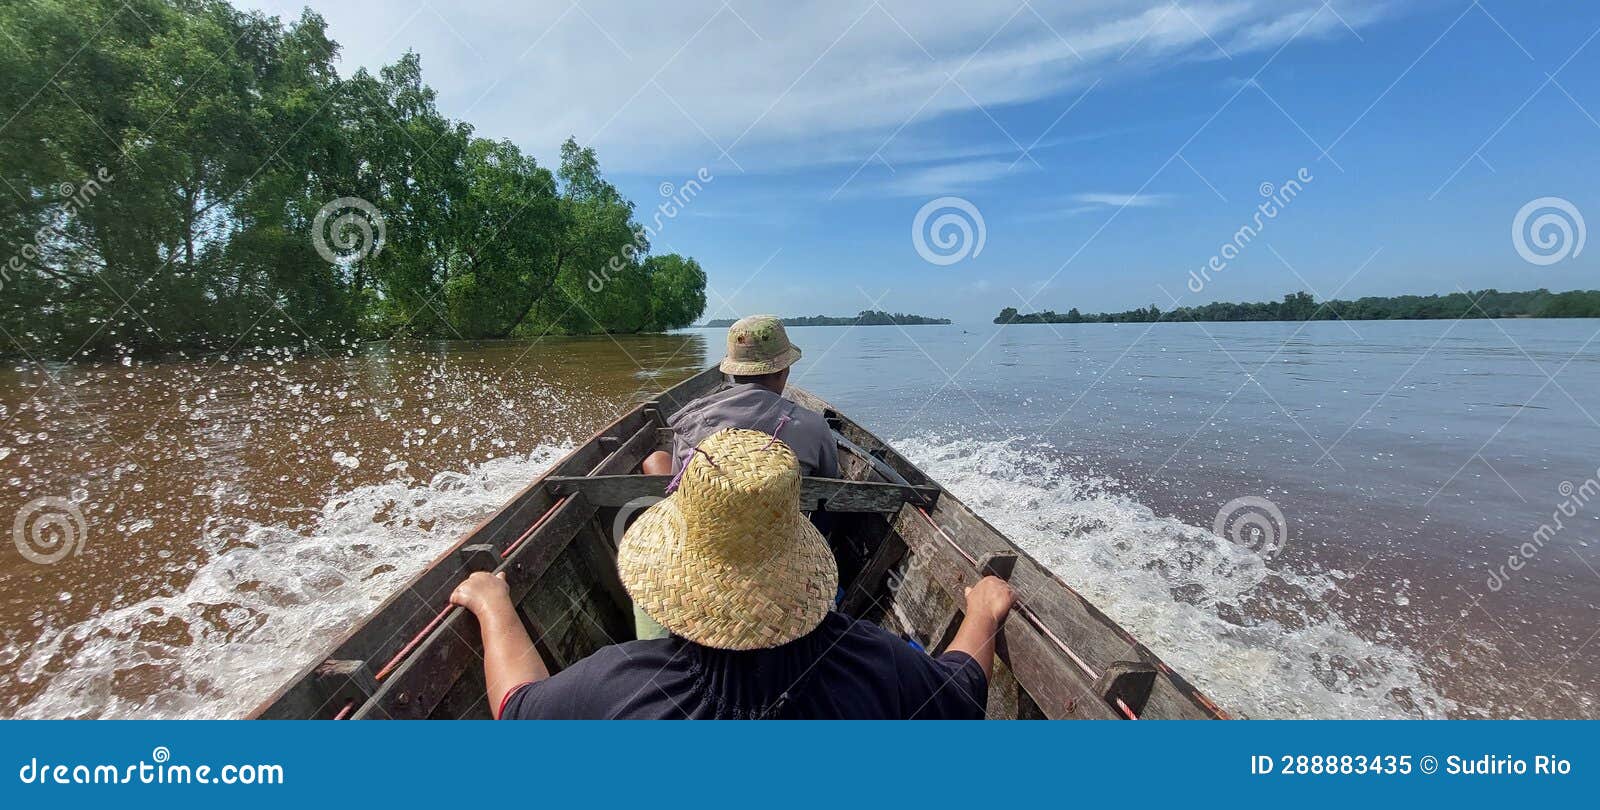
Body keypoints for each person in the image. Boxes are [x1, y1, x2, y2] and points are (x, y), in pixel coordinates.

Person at [450, 428, 1016, 719]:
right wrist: (983, 612)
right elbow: (961, 689)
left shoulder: (621, 686)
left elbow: (516, 706)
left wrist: (493, 605)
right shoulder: (876, 665)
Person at [640, 314, 838, 479]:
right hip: (786, 523)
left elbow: (679, 486)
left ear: (733, 372)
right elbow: (830, 487)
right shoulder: (815, 426)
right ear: (783, 370)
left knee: (656, 458)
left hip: (707, 523)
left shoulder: (690, 422)